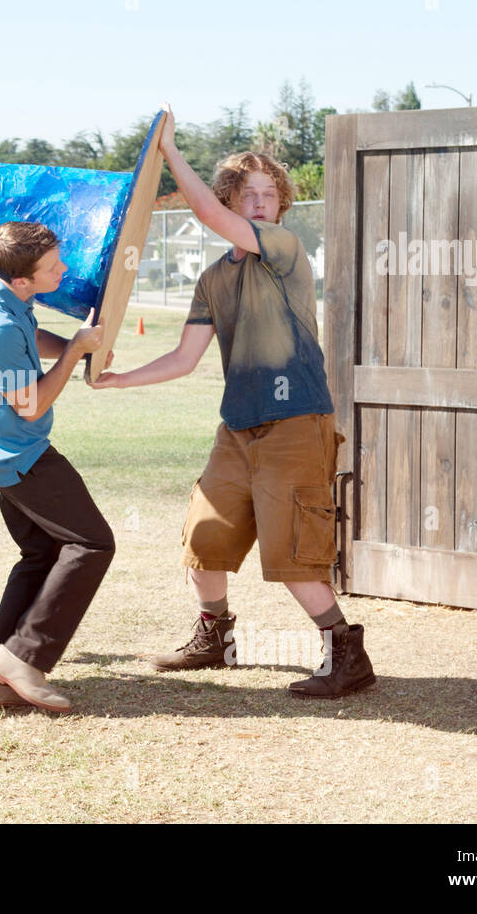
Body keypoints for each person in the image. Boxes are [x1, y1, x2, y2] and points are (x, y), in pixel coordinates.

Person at [90, 107, 375, 699]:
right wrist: (120, 381)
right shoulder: (213, 278)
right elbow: (183, 359)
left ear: (281, 205)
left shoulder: (284, 249)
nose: (261, 203)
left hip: (296, 419)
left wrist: (169, 153)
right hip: (237, 428)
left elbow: (203, 212)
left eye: (270, 194)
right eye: (248, 194)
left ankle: (345, 653)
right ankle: (214, 637)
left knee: (294, 550)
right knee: (206, 536)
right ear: (232, 198)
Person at [0, 221, 114, 714]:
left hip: (3, 451)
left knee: (42, 553)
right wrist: (74, 352)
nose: (63, 269)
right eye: (52, 267)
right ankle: (22, 657)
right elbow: (31, 403)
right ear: (23, 279)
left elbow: (29, 338)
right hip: (19, 455)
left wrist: (75, 339)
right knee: (92, 543)